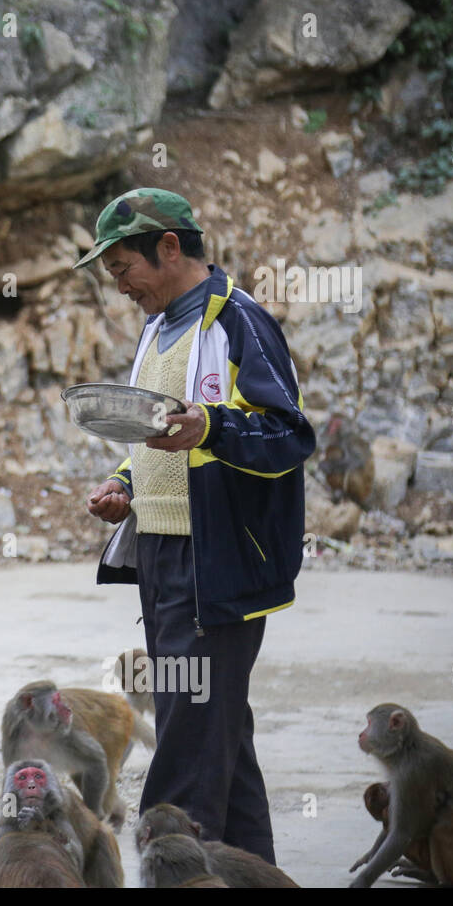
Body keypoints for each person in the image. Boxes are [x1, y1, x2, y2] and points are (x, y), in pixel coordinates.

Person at [76, 187, 315, 864]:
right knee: (219, 738)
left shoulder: (240, 323)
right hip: (164, 560)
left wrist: (211, 425)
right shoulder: (158, 327)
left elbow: (288, 435)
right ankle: (254, 875)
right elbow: (152, 439)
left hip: (218, 566)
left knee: (184, 750)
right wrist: (124, 486)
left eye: (124, 268)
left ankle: (174, 870)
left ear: (170, 248)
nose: (121, 286)